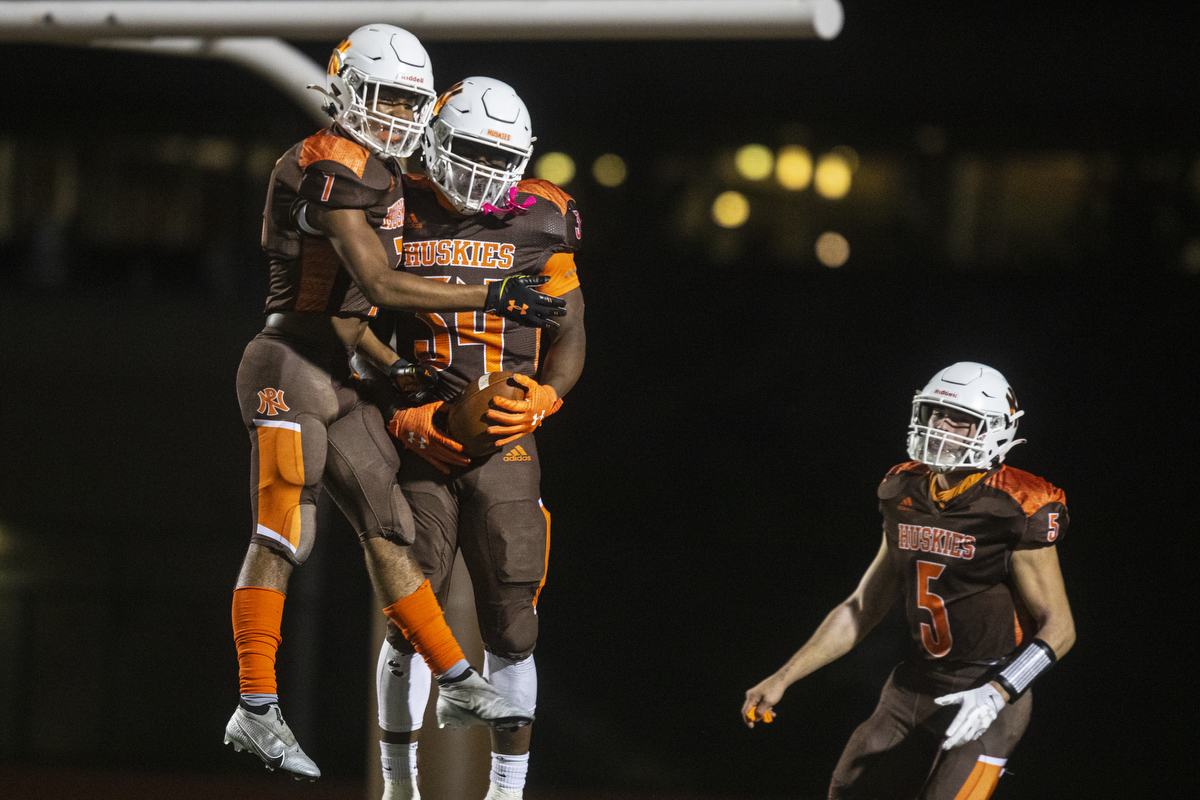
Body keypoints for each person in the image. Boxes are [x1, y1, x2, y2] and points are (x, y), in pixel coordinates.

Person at [223, 30, 562, 781]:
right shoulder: (328, 161)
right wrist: (492, 290)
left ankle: (457, 680)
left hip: (341, 368)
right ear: (346, 93)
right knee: (286, 525)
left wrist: (399, 365)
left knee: (392, 526)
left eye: (411, 99)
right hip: (288, 356)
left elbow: (356, 322)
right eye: (385, 98)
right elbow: (376, 286)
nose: (397, 114)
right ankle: (254, 705)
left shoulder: (389, 173)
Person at [355, 77, 585, 800]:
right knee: (411, 619)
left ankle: (507, 792)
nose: (485, 171)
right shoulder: (393, 200)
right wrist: (399, 397)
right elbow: (346, 318)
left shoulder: (546, 218)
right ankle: (399, 785)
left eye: (500, 156)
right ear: (435, 139)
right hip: (420, 428)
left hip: (505, 438)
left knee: (513, 622)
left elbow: (571, 335)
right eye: (472, 150)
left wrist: (547, 397)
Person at [741, 362, 1075, 800]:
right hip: (913, 686)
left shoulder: (1017, 504)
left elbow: (1061, 628)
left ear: (994, 429)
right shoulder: (904, 489)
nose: (942, 426)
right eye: (937, 413)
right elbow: (862, 607)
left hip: (989, 694)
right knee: (847, 790)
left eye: (960, 419)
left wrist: (998, 692)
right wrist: (784, 677)